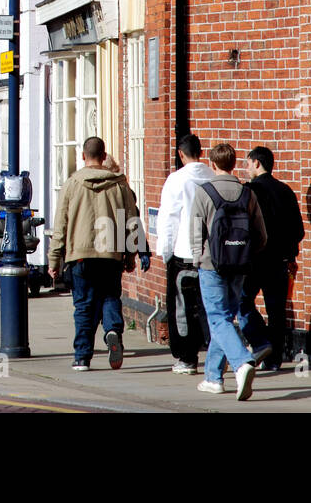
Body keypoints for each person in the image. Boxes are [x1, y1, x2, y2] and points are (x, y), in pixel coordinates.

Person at [47, 137, 147, 370]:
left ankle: (82, 357)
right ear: (104, 156)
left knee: (83, 306)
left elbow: (60, 225)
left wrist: (54, 259)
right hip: (110, 253)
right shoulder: (119, 184)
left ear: (83, 156)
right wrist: (131, 255)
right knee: (110, 296)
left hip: (79, 254)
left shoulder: (71, 184)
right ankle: (112, 331)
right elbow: (132, 221)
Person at [189, 143, 267, 400]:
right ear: (234, 164)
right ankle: (213, 377)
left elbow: (195, 232)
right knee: (224, 318)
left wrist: (196, 259)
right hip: (240, 265)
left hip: (212, 264)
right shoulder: (247, 194)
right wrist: (246, 254)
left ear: (212, 164)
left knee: (217, 319)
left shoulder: (204, 191)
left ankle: (242, 361)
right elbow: (261, 235)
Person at [238, 146, 305, 372]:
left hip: (255, 261)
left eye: (248, 163)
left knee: (241, 302)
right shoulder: (286, 191)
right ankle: (274, 359)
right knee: (277, 311)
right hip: (280, 261)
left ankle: (261, 341)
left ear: (257, 163)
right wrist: (290, 253)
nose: (246, 168)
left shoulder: (250, 192)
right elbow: (299, 231)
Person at [156, 133, 215, 374]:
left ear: (181, 154)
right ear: (200, 151)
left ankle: (186, 358)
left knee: (181, 308)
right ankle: (215, 355)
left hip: (182, 252)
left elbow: (168, 217)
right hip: (210, 253)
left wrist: (165, 250)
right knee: (208, 306)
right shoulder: (212, 177)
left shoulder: (176, 180)